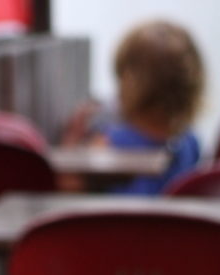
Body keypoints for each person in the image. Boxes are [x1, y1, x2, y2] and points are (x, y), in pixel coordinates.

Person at [64, 20, 204, 196]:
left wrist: (72, 138)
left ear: (128, 82)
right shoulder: (190, 142)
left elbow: (68, 185)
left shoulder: (109, 143)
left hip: (121, 224)